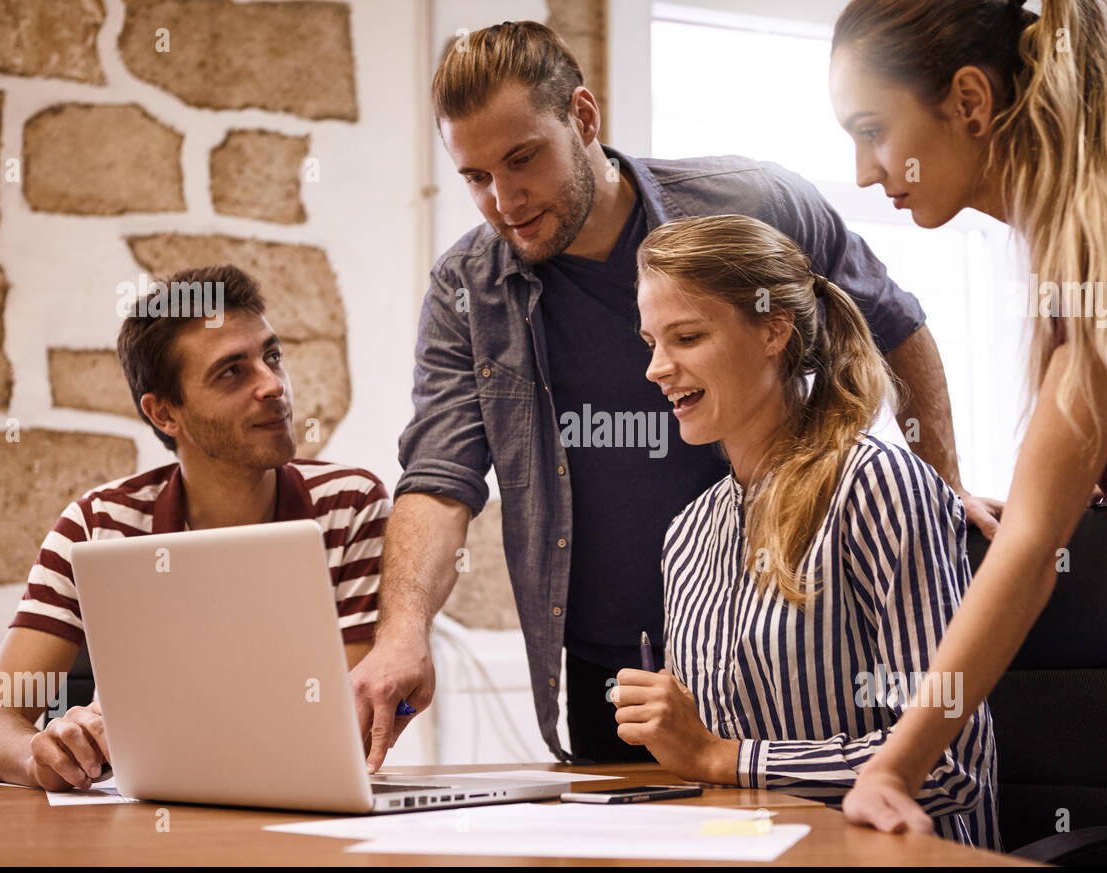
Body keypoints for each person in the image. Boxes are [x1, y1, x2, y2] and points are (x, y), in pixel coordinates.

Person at [352, 20, 996, 768]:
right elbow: (440, 472)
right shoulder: (469, 286)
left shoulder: (754, 202)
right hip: (617, 673)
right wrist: (402, 630)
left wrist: (941, 488)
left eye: (522, 159)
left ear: (583, 117)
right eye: (475, 177)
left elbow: (890, 325)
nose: (503, 200)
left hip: (789, 653)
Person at [828, 0, 1107, 865]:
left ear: (970, 100)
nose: (866, 171)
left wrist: (893, 768)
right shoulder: (1096, 220)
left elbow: (1031, 546)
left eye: (873, 129)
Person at [609, 214, 999, 848]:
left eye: (686, 336)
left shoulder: (875, 485)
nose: (657, 367)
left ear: (773, 328)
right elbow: (708, 764)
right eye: (651, 341)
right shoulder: (688, 532)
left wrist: (721, 758)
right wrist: (676, 736)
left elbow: (952, 762)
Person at [0, 265, 391, 792]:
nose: (273, 385)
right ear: (165, 413)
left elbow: (350, 718)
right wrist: (41, 758)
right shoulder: (97, 524)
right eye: (232, 372)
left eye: (272, 356)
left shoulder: (351, 505)